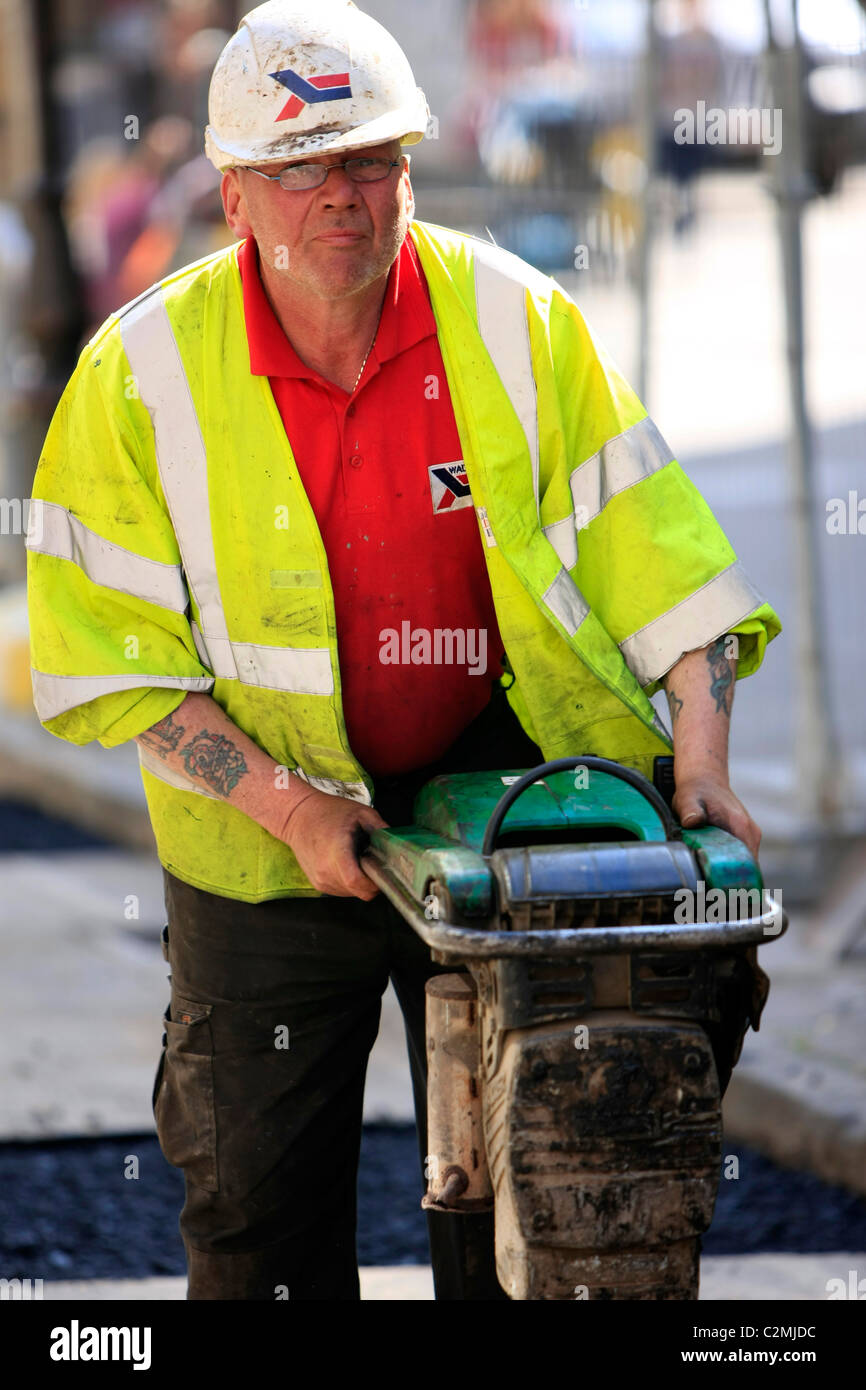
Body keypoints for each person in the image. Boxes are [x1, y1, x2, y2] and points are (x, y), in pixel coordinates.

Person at [25, 0, 780, 1301]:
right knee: (259, 1220)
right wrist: (286, 805)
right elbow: (109, 656)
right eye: (303, 169)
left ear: (409, 169)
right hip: (263, 842)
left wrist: (699, 758)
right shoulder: (139, 376)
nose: (343, 198)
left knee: (547, 1201)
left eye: (370, 162)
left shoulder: (515, 325)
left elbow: (660, 557)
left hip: (502, 805)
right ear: (235, 192)